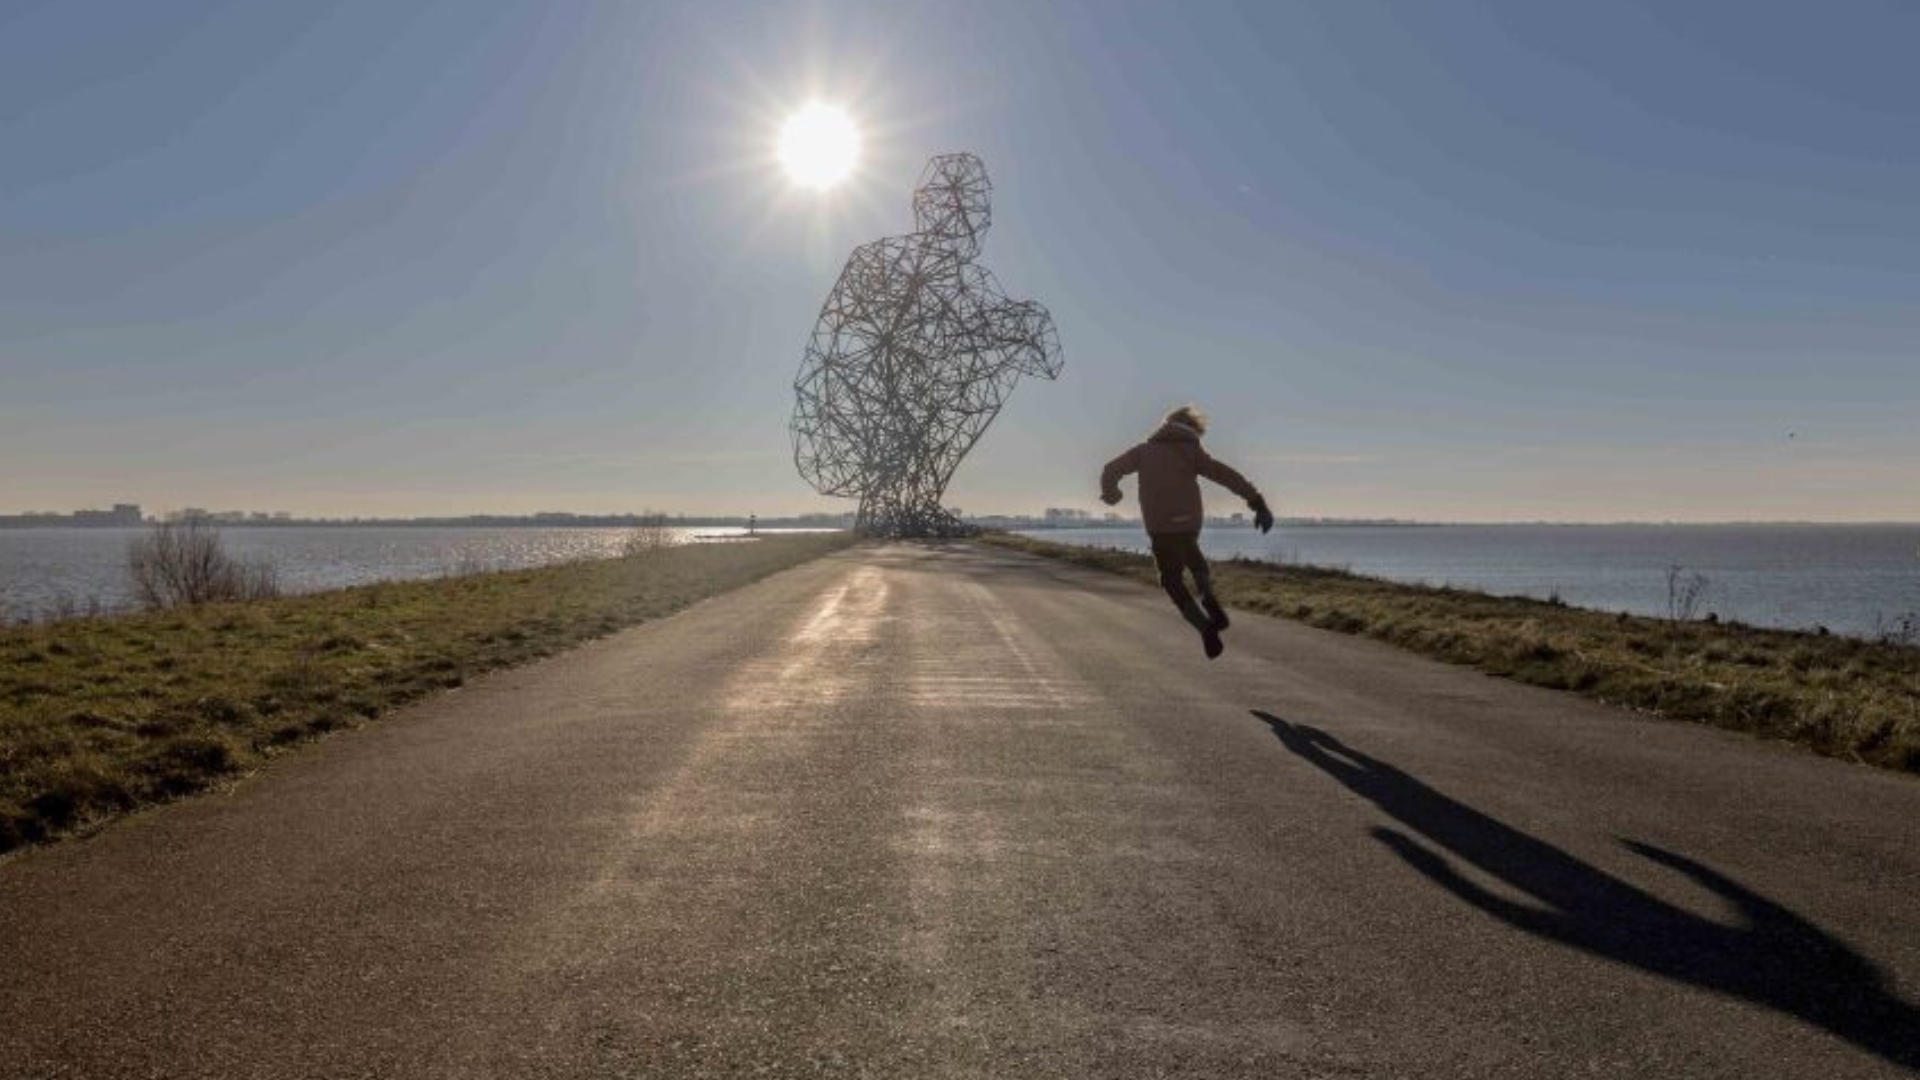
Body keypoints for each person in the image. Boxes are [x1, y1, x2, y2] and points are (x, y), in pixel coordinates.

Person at [1100, 405, 1273, 658]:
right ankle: (1208, 595)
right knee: (1192, 555)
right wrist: (1257, 502)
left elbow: (1110, 469)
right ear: (1192, 430)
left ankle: (1205, 628)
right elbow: (1225, 475)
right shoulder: (1192, 451)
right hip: (1189, 523)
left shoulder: (1143, 451)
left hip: (1160, 526)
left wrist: (1111, 493)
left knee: (1171, 580)